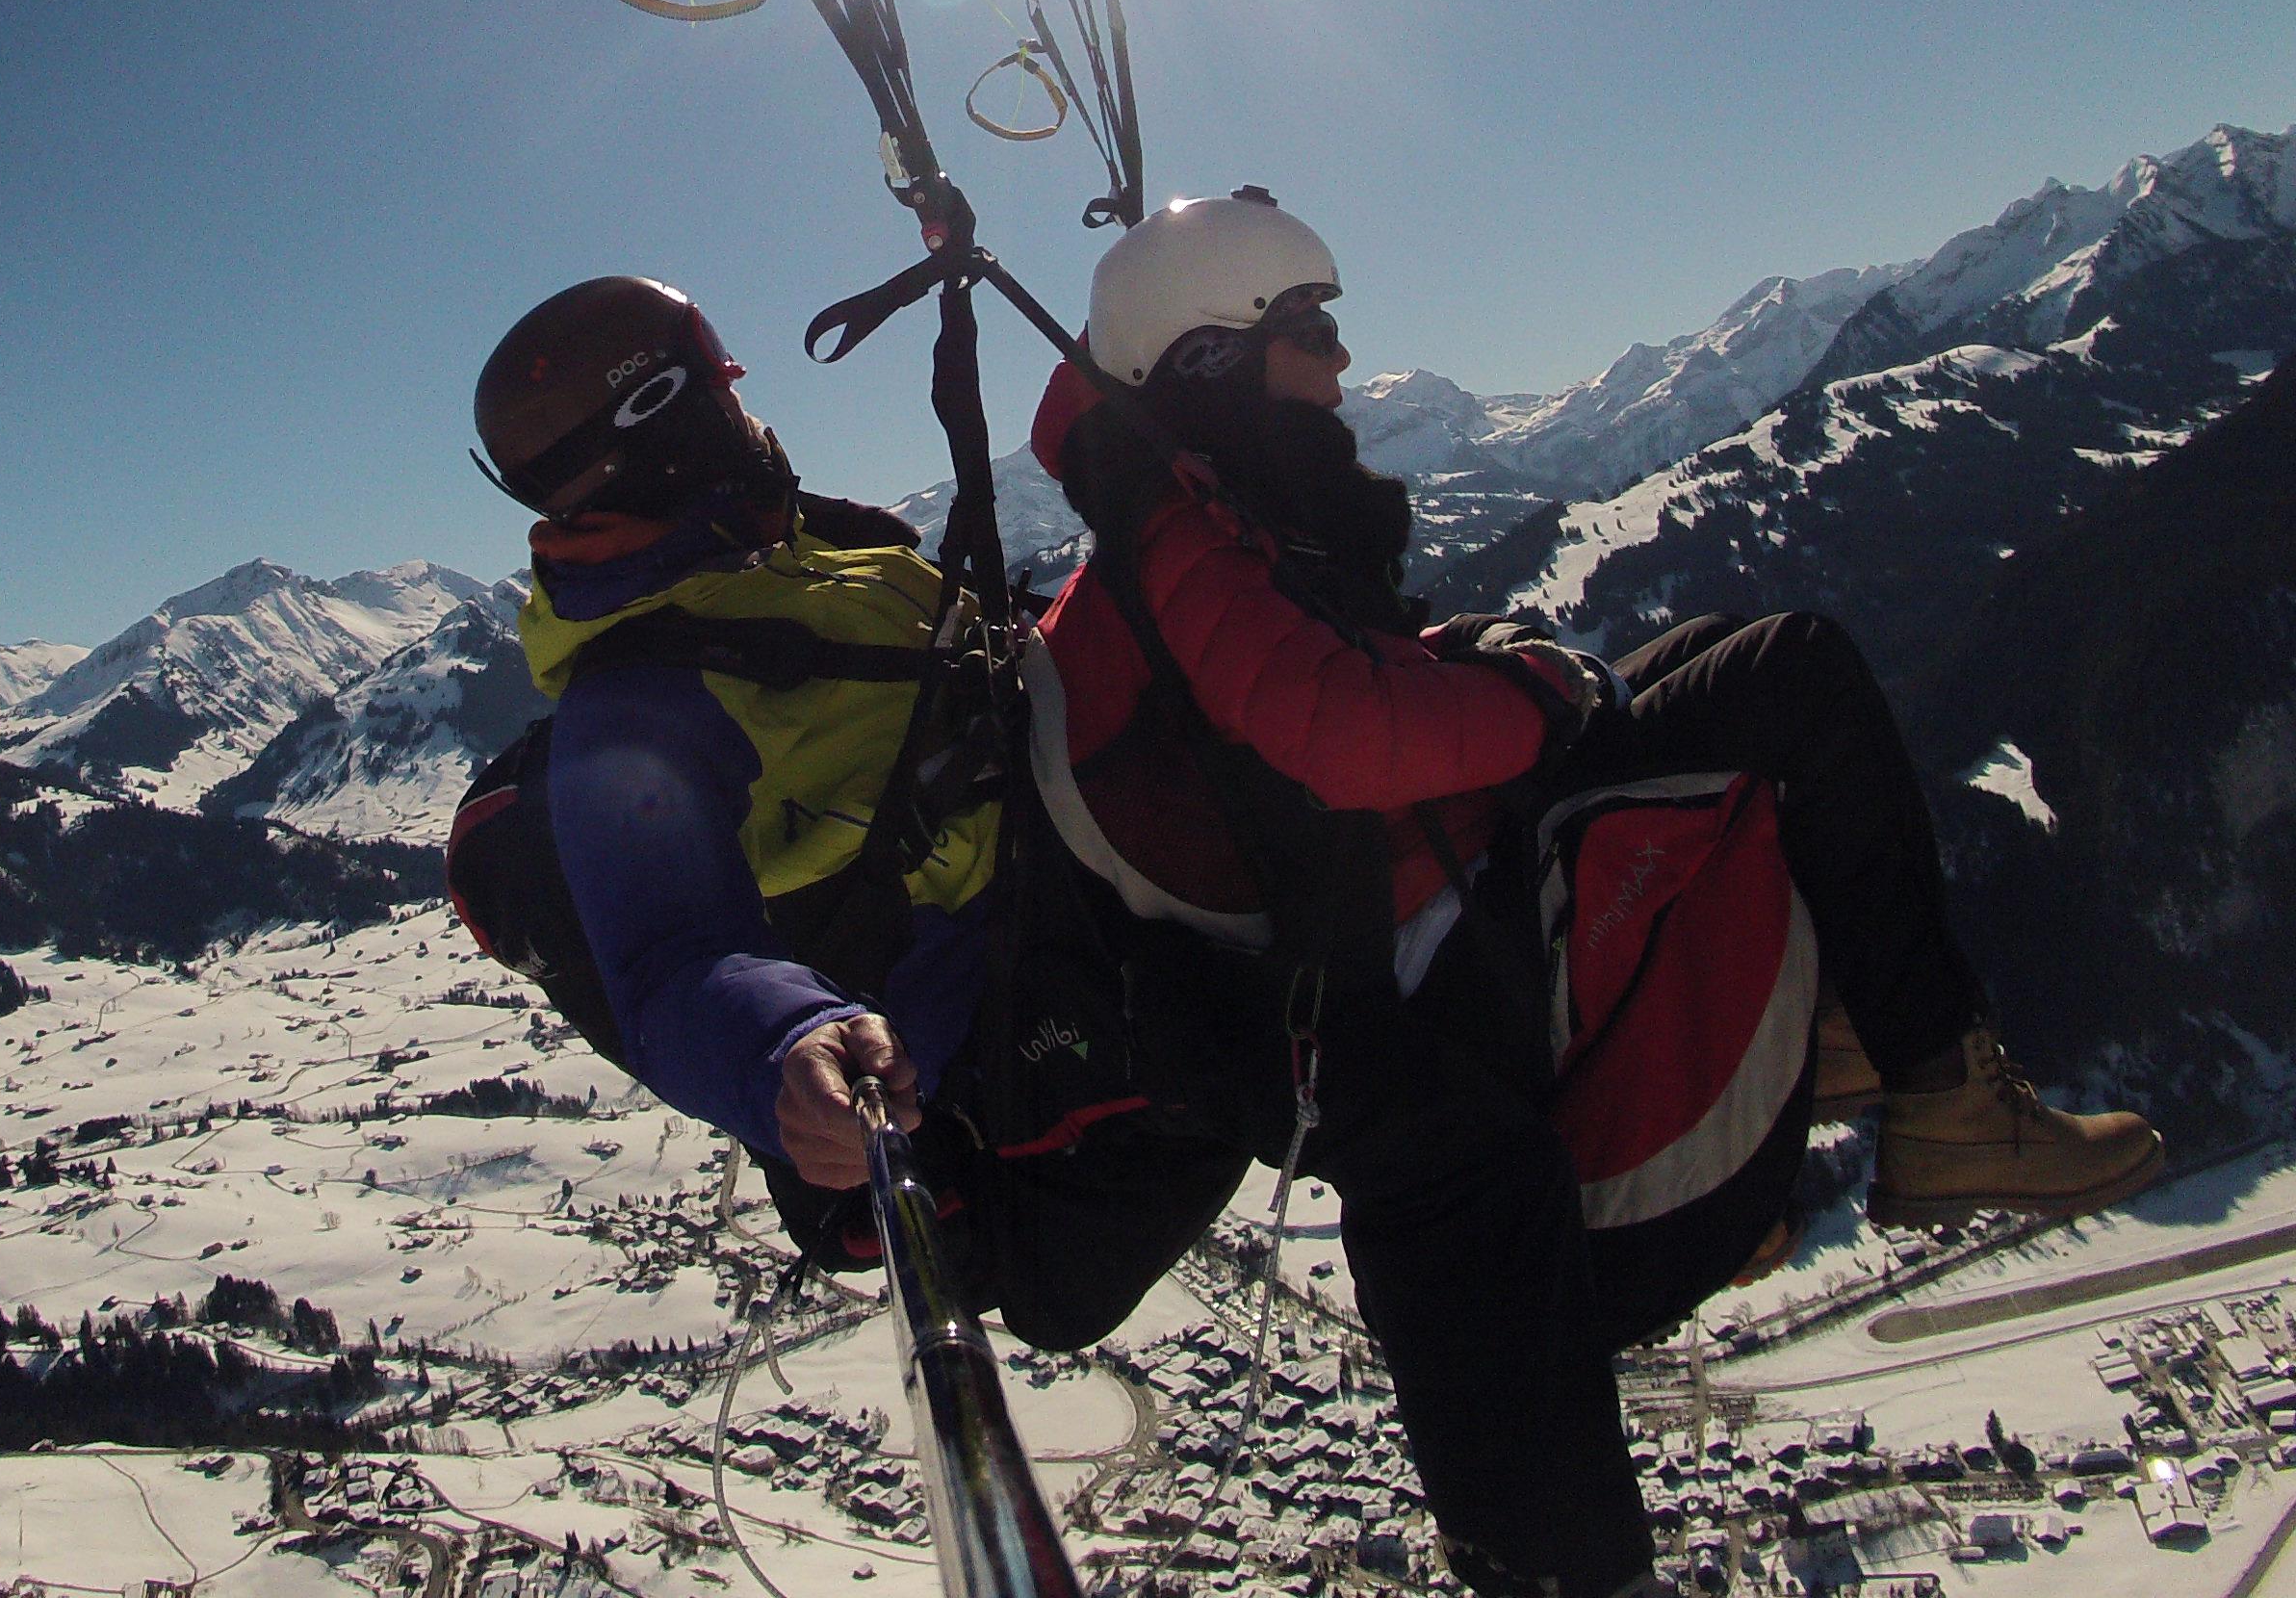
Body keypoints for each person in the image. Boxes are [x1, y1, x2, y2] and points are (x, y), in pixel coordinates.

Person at [1027, 188, 2162, 1598]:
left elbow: (1310, 673)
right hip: (1425, 916)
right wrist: (1528, 702)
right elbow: (1332, 729)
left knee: (1757, 673)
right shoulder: (1177, 538)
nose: (1338, 362)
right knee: (1781, 687)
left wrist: (1478, 656)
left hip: (1431, 859)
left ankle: (1902, 1070)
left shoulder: (1193, 503)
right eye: (1308, 332)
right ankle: (1926, 1096)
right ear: (1209, 358)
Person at [467, 275, 1257, 1348]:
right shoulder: (641, 706)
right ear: (670, 423)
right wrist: (787, 1045)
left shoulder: (790, 553)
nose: (754, 414)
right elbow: (667, 954)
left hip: (1061, 854)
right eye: (725, 391)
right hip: (1005, 999)